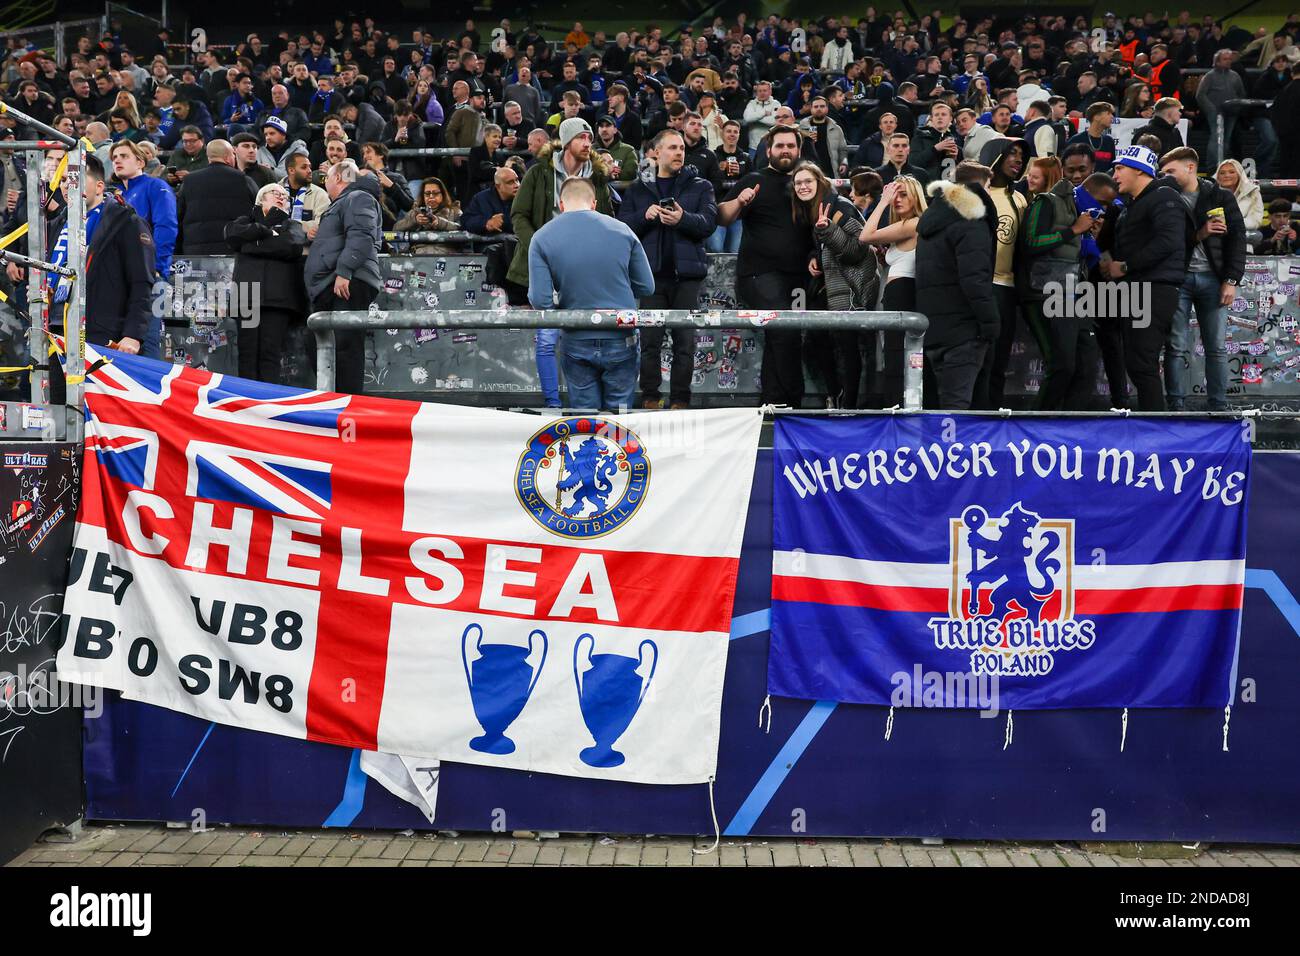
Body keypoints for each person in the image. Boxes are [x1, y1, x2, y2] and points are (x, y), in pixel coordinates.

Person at [508, 116, 615, 408]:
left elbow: (608, 222)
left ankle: (589, 404)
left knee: (586, 336)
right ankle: (553, 404)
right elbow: (519, 215)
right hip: (546, 266)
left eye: (590, 138)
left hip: (585, 269)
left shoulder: (597, 178)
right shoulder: (539, 173)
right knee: (546, 337)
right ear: (567, 141)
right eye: (582, 137)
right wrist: (540, 249)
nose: (588, 143)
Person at [528, 177, 654, 411]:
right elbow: (647, 286)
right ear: (594, 203)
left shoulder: (541, 237)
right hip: (620, 335)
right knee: (619, 421)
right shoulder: (623, 230)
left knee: (585, 419)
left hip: (576, 338)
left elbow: (540, 301)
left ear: (561, 204)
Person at [617, 128, 716, 409]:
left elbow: (708, 223)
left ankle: (680, 400)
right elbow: (623, 228)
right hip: (651, 278)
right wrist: (645, 216)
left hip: (687, 278)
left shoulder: (700, 186)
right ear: (656, 152)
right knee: (650, 342)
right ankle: (650, 397)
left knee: (685, 343)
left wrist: (683, 218)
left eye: (682, 148)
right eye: (672, 148)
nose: (679, 153)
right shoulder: (638, 189)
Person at [716, 124, 812, 407]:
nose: (785, 150)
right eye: (780, 146)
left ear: (799, 150)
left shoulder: (806, 182)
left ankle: (772, 403)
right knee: (783, 331)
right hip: (760, 275)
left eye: (790, 146)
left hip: (799, 278)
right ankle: (789, 403)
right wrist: (739, 201)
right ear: (768, 150)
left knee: (787, 337)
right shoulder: (753, 179)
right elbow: (721, 217)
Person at [1099, 145, 1191, 412]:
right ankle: (1153, 425)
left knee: (1142, 363)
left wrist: (1124, 267)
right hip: (1138, 289)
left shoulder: (1164, 197)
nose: (1114, 174)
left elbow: (1168, 242)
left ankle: (1155, 431)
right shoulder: (1132, 205)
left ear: (1139, 170)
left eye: (1119, 168)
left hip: (1155, 289)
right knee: (1138, 364)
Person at [1158, 146, 1245, 412]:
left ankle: (1218, 406)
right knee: (1175, 346)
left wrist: (1231, 279)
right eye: (1163, 172)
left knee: (1217, 347)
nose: (1166, 176)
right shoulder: (1165, 197)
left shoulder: (1218, 195)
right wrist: (1200, 234)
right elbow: (1164, 243)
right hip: (1178, 279)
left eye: (1171, 171)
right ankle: (1176, 405)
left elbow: (1237, 239)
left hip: (1213, 278)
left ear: (1190, 167)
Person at [48, 155, 155, 368]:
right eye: (63, 180)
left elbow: (141, 282)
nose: (67, 184)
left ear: (99, 187)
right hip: (55, 332)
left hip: (102, 335)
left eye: (75, 177)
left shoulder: (126, 222)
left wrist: (133, 334)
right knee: (56, 400)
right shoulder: (58, 224)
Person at [1018, 156, 1099, 410]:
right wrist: (1073, 231)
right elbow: (1031, 243)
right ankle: (1038, 421)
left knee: (1083, 362)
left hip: (1069, 292)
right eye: (1029, 173)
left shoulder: (1070, 203)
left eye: (1035, 175)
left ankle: (1069, 421)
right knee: (1061, 364)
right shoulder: (1043, 203)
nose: (1028, 178)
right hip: (1041, 293)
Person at [796, 162, 878, 408]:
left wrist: (828, 231)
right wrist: (814, 255)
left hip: (849, 288)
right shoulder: (816, 208)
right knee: (816, 339)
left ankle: (848, 405)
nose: (802, 186)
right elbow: (824, 245)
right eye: (798, 183)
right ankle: (836, 395)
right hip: (829, 284)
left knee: (847, 346)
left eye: (807, 181)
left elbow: (856, 249)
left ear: (820, 181)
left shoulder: (841, 206)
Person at [915, 177, 1001, 409]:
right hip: (964, 332)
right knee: (959, 409)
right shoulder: (971, 222)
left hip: (933, 330)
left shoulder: (930, 224)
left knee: (938, 408)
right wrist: (991, 324)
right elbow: (975, 280)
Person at [304, 159, 383, 395]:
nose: (325, 183)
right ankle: (335, 399)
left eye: (326, 177)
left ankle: (348, 405)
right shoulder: (346, 201)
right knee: (321, 345)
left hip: (345, 282)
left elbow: (361, 234)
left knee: (346, 348)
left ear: (338, 177)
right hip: (331, 284)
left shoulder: (357, 197)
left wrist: (344, 271)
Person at [224, 182, 308, 384]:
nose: (281, 197)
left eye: (285, 196)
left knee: (270, 353)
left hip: (278, 300)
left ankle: (265, 407)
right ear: (261, 199)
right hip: (247, 296)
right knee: (247, 353)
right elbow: (232, 235)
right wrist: (267, 231)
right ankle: (246, 404)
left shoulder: (292, 225)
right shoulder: (243, 221)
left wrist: (250, 245)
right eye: (275, 193)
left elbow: (291, 246)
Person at [859, 176, 926, 407]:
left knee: (897, 355)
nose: (897, 199)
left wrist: (882, 201)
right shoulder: (906, 225)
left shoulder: (914, 223)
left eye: (903, 194)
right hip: (897, 292)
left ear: (916, 196)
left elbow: (865, 236)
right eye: (894, 194)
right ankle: (895, 403)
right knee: (894, 355)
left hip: (903, 293)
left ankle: (896, 405)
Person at [978, 137, 1029, 408]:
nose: (1018, 160)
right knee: (982, 360)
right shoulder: (977, 195)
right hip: (985, 286)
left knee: (1000, 359)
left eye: (1021, 155)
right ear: (995, 157)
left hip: (1009, 288)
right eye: (1012, 153)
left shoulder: (1019, 198)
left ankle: (993, 413)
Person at [176, 139, 258, 254]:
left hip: (197, 252)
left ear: (209, 157)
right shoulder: (244, 180)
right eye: (233, 155)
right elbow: (259, 213)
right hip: (236, 251)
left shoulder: (189, 181)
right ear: (228, 157)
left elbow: (178, 217)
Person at [1195, 50, 1245, 168]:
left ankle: (1222, 165)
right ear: (1217, 62)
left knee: (1226, 140)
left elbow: (1241, 93)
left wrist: (1237, 107)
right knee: (1216, 138)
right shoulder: (1209, 76)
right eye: (1225, 59)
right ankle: (1212, 166)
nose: (1228, 61)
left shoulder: (1235, 76)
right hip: (1216, 113)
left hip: (1231, 113)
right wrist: (1211, 109)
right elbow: (1200, 95)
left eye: (1229, 59)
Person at [462, 166, 520, 236]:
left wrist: (503, 221)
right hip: (489, 244)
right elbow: (466, 220)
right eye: (510, 182)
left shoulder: (525, 198)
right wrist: (487, 223)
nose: (517, 185)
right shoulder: (481, 198)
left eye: (517, 180)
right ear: (498, 186)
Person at [1214, 160, 1263, 232]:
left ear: (1239, 174)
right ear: (1217, 177)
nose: (1227, 175)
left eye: (1232, 172)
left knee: (1256, 236)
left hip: (1243, 232)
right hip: (1218, 233)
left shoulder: (1253, 192)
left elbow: (1255, 220)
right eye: (1222, 173)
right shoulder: (1210, 193)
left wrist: (1231, 224)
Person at [1066, 103, 1117, 172]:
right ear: (1096, 117)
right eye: (1108, 113)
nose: (1112, 117)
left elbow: (1112, 167)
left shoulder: (1109, 141)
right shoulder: (1076, 141)